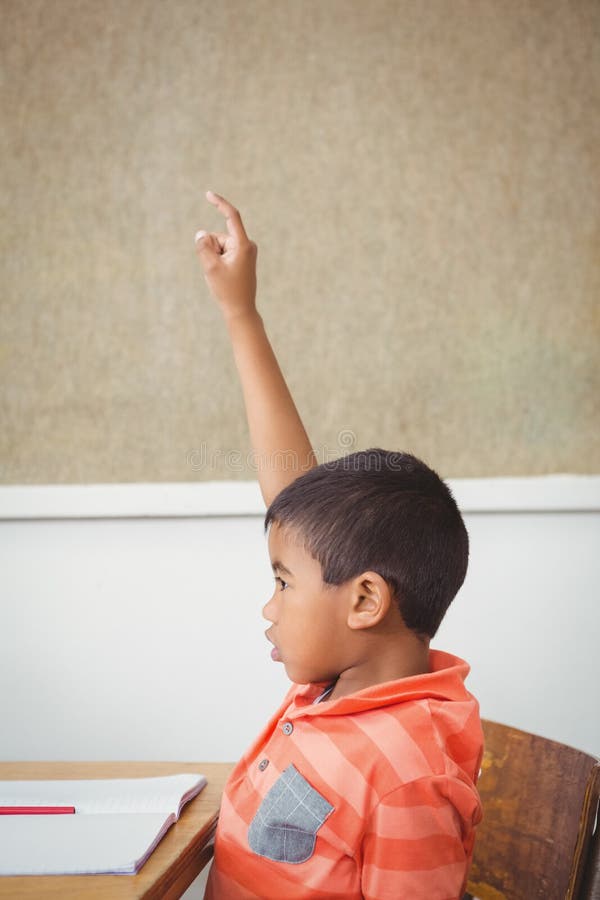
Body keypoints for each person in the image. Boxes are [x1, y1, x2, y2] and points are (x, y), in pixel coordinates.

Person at [194, 191, 483, 900]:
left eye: (283, 583)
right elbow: (294, 502)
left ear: (364, 601)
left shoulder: (408, 776)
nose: (269, 607)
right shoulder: (337, 687)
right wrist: (239, 313)